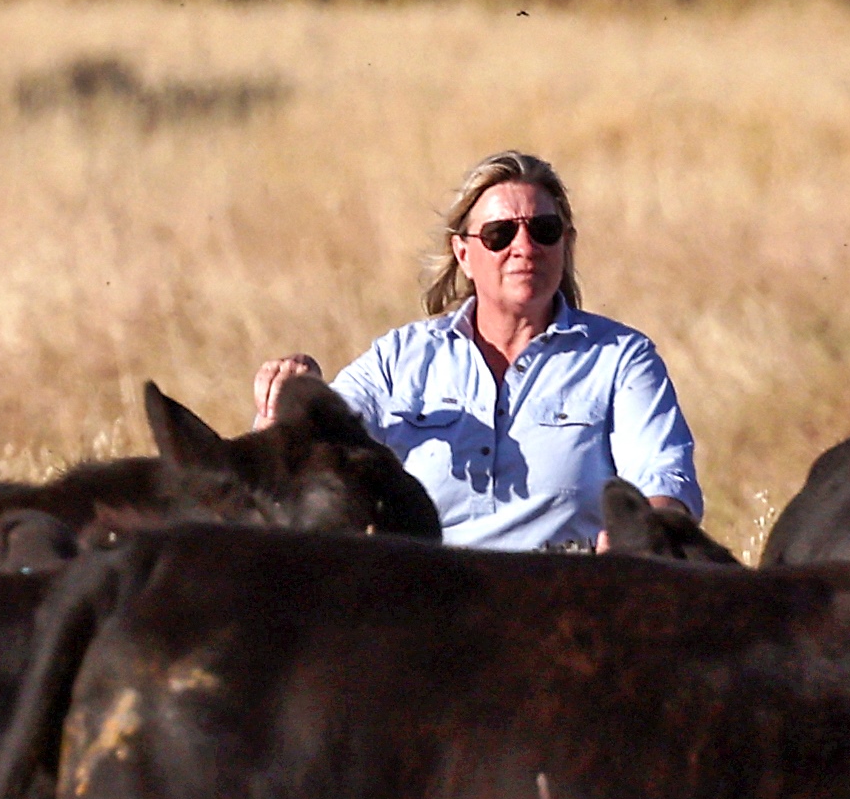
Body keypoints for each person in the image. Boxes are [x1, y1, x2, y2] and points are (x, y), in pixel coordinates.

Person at [256, 149, 704, 551]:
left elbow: (664, 480)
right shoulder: (400, 359)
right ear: (464, 253)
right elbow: (314, 448)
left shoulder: (621, 358)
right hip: (423, 605)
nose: (524, 248)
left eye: (544, 231)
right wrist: (295, 398)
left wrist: (644, 539)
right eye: (499, 234)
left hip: (566, 602)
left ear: (566, 244)